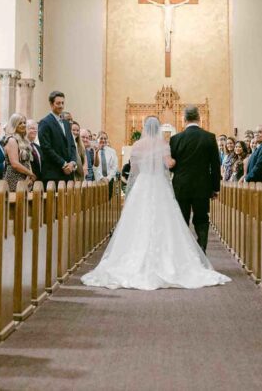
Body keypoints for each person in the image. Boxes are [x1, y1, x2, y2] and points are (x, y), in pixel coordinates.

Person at [81, 115, 229, 290]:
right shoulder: (162, 144)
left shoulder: (137, 145)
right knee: (165, 221)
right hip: (159, 185)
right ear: (158, 128)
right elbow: (170, 163)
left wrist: (133, 188)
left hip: (142, 185)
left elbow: (134, 170)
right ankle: (172, 260)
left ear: (144, 128)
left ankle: (130, 260)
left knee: (138, 221)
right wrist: (180, 160)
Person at [168, 105, 222, 253]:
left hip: (181, 185)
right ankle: (202, 248)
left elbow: (171, 166)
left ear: (184, 119)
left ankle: (184, 252)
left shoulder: (175, 139)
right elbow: (215, 165)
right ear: (199, 118)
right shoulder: (209, 137)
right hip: (202, 185)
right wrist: (215, 187)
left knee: (182, 219)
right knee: (201, 218)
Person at [38, 91, 77, 183]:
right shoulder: (45, 122)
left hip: (69, 173)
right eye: (58, 103)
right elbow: (46, 148)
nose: (61, 106)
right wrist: (63, 164)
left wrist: (72, 163)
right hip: (53, 173)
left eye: (63, 103)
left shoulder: (66, 123)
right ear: (51, 104)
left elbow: (72, 146)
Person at [2, 114, 36, 191]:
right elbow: (15, 164)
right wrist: (30, 174)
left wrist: (30, 177)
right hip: (14, 178)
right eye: (20, 123)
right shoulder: (12, 140)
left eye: (24, 123)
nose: (23, 125)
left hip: (25, 177)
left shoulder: (24, 140)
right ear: (14, 125)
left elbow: (27, 162)